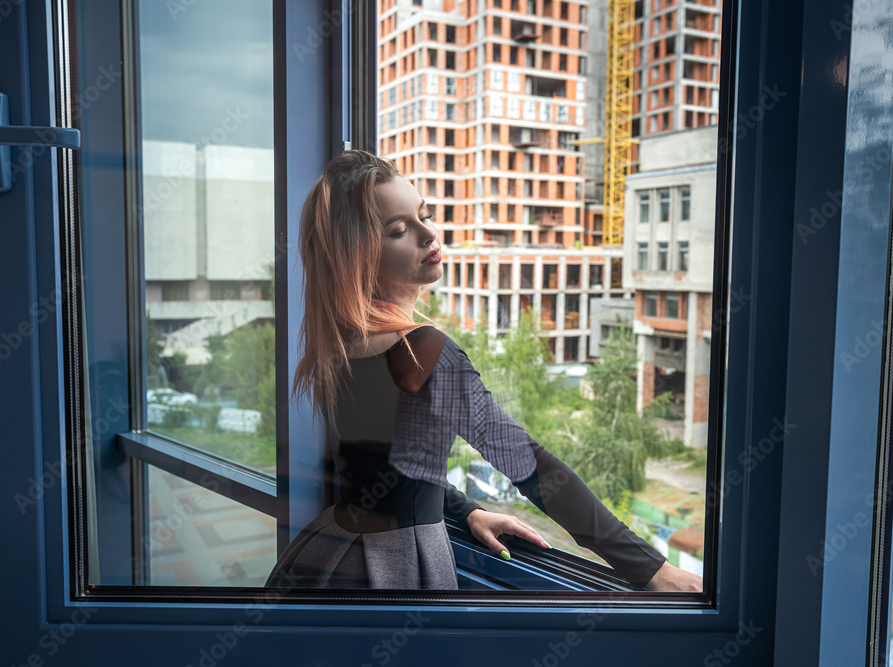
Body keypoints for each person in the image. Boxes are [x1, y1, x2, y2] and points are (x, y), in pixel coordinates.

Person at [264, 149, 702, 592]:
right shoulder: (424, 351)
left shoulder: (336, 342)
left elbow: (384, 472)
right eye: (399, 230)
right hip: (394, 569)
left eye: (425, 215)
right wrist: (651, 569)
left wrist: (464, 509)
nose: (428, 233)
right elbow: (531, 465)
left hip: (326, 552)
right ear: (359, 258)